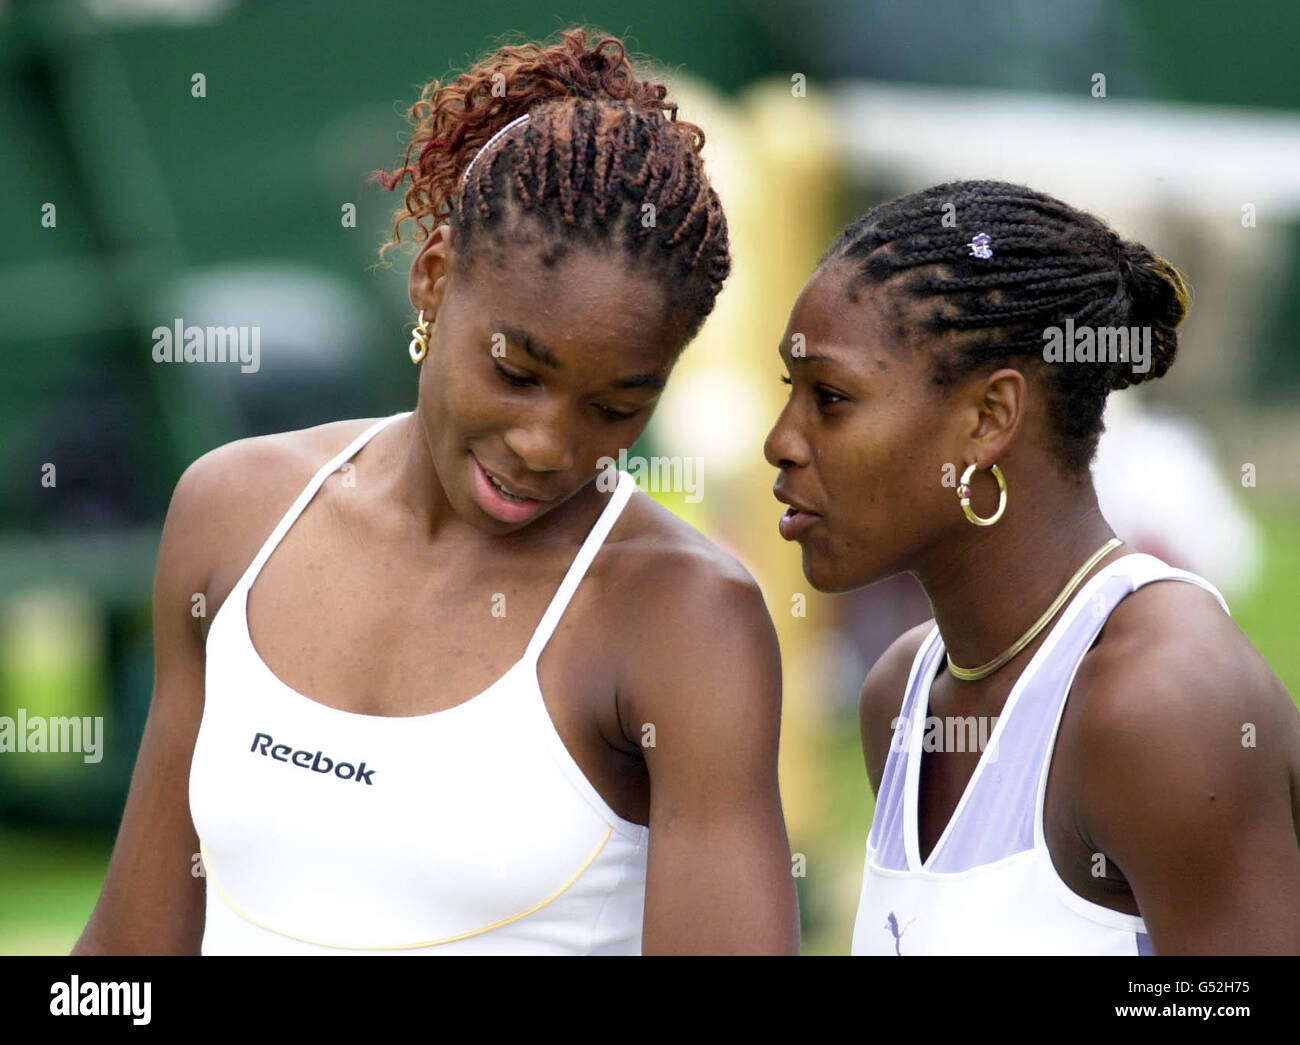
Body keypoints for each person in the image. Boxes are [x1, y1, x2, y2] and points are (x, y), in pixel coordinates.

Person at [74, 28, 798, 956]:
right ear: (433, 277)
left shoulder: (688, 620)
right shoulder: (233, 512)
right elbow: (126, 961)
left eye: (615, 405)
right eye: (518, 371)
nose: (547, 444)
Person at [763, 179, 1300, 954]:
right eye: (792, 391)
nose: (781, 439)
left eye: (831, 397)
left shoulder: (1161, 704)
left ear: (988, 419)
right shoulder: (903, 696)